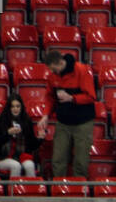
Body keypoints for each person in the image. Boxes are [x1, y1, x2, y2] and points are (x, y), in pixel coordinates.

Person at [40, 50, 96, 179]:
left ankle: (79, 194)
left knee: (81, 161)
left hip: (83, 122)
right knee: (58, 159)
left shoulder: (82, 70)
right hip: (63, 122)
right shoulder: (53, 76)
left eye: (55, 69)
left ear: (60, 62)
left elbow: (91, 96)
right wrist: (45, 115)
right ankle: (59, 190)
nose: (53, 73)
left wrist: (72, 98)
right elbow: (50, 98)